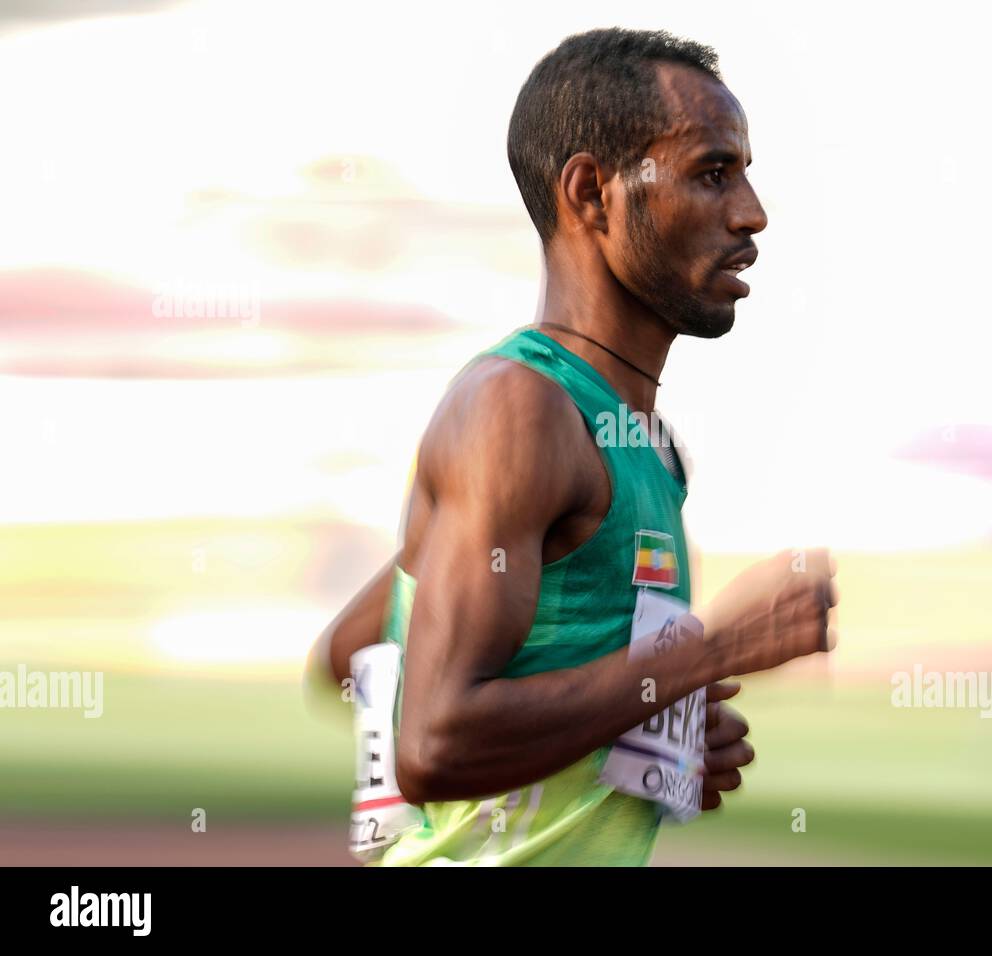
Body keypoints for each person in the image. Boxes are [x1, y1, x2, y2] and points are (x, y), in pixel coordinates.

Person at [307, 27, 836, 866]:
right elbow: (433, 747)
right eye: (711, 171)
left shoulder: (645, 447)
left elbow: (354, 653)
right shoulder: (518, 410)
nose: (752, 211)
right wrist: (713, 653)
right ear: (593, 193)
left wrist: (626, 745)